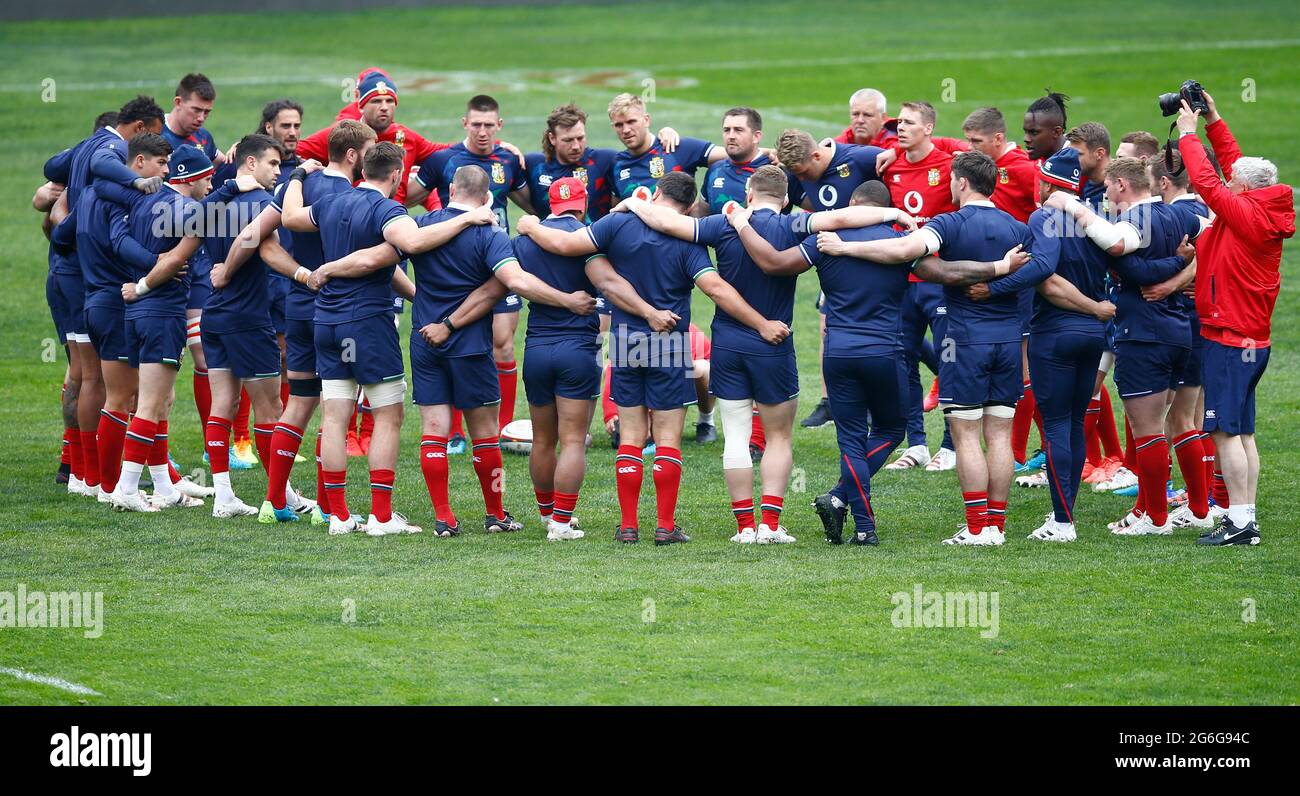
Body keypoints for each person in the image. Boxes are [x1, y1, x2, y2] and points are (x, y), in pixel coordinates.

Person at [517, 171, 790, 545]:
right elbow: (714, 288)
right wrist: (759, 322)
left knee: (631, 435)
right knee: (666, 438)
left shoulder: (617, 224)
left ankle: (628, 526)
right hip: (671, 341)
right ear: (690, 206)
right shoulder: (685, 237)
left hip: (626, 340)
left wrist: (530, 225)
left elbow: (569, 247)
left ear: (656, 193)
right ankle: (664, 526)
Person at [813, 152, 1033, 546]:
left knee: (966, 435)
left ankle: (977, 527)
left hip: (965, 340)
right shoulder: (1018, 227)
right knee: (999, 435)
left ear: (961, 183)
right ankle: (997, 527)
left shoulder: (949, 223)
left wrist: (845, 248)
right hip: (1008, 340)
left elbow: (903, 253)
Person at [282, 143, 498, 536]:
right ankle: (381, 517)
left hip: (325, 321)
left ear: (363, 168)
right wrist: (469, 220)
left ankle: (339, 516)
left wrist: (297, 176)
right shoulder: (387, 211)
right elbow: (412, 244)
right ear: (397, 175)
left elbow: (292, 217)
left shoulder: (331, 203)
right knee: (388, 414)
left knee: (333, 416)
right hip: (365, 323)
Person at [1044, 156, 1204, 536]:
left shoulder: (1134, 221)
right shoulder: (1179, 215)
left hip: (1143, 335)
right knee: (1169, 424)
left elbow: (1118, 248)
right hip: (1179, 334)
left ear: (1119, 185)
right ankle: (1191, 510)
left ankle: (1157, 519)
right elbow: (1215, 233)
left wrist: (1073, 207)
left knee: (1147, 430)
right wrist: (1182, 268)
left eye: (1109, 190)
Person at [965, 147, 1118, 541]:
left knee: (1055, 427)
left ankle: (1063, 522)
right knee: (1073, 424)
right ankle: (1063, 516)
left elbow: (1045, 273)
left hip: (1056, 335)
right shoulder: (1094, 218)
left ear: (1048, 181)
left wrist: (994, 287)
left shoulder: (1045, 214)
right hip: (1093, 337)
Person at [1175, 92, 1293, 545]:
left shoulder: (1243, 211)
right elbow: (1231, 164)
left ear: (1244, 190)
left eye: (1235, 182)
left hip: (1229, 338)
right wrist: (1214, 119)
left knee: (1224, 432)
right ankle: (1245, 516)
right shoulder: (1264, 206)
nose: (1230, 182)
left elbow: (1207, 180)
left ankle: (1242, 522)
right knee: (1242, 432)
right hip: (1250, 339)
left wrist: (1188, 135)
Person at [101, 143, 211, 511]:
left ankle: (163, 488)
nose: (210, 185)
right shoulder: (189, 210)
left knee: (160, 403)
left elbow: (123, 242)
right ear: (192, 178)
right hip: (160, 312)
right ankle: (128, 489)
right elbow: (172, 262)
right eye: (208, 179)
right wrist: (143, 285)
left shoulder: (144, 201)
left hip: (137, 317)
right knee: (149, 405)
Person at [833, 88, 898, 148]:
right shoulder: (837, 147)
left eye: (867, 115)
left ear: (883, 118)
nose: (860, 120)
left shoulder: (896, 148)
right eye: (855, 114)